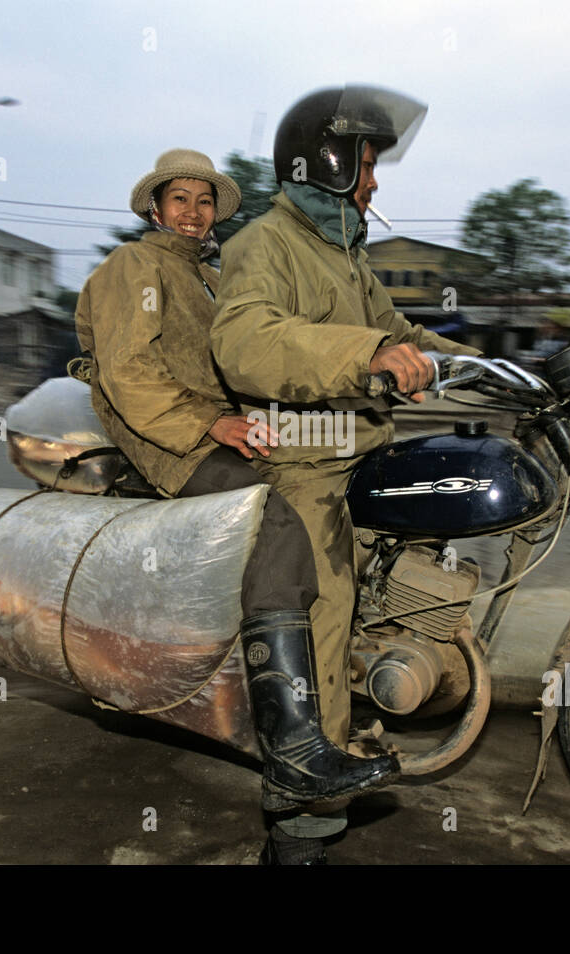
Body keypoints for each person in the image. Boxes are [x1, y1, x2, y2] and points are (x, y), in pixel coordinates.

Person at [74, 150, 398, 860]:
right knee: (277, 524)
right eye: (178, 199)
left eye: (203, 200)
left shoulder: (209, 276)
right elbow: (130, 374)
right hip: (171, 439)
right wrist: (210, 425)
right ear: (154, 207)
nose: (192, 211)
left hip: (223, 431)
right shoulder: (136, 270)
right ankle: (295, 753)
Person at [211, 87, 482, 770]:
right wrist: (360, 356)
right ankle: (307, 785)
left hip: (361, 449)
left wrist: (493, 368)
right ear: (327, 162)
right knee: (325, 606)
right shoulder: (264, 244)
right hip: (305, 462)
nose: (375, 179)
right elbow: (247, 339)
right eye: (366, 162)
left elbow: (401, 334)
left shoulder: (347, 254)